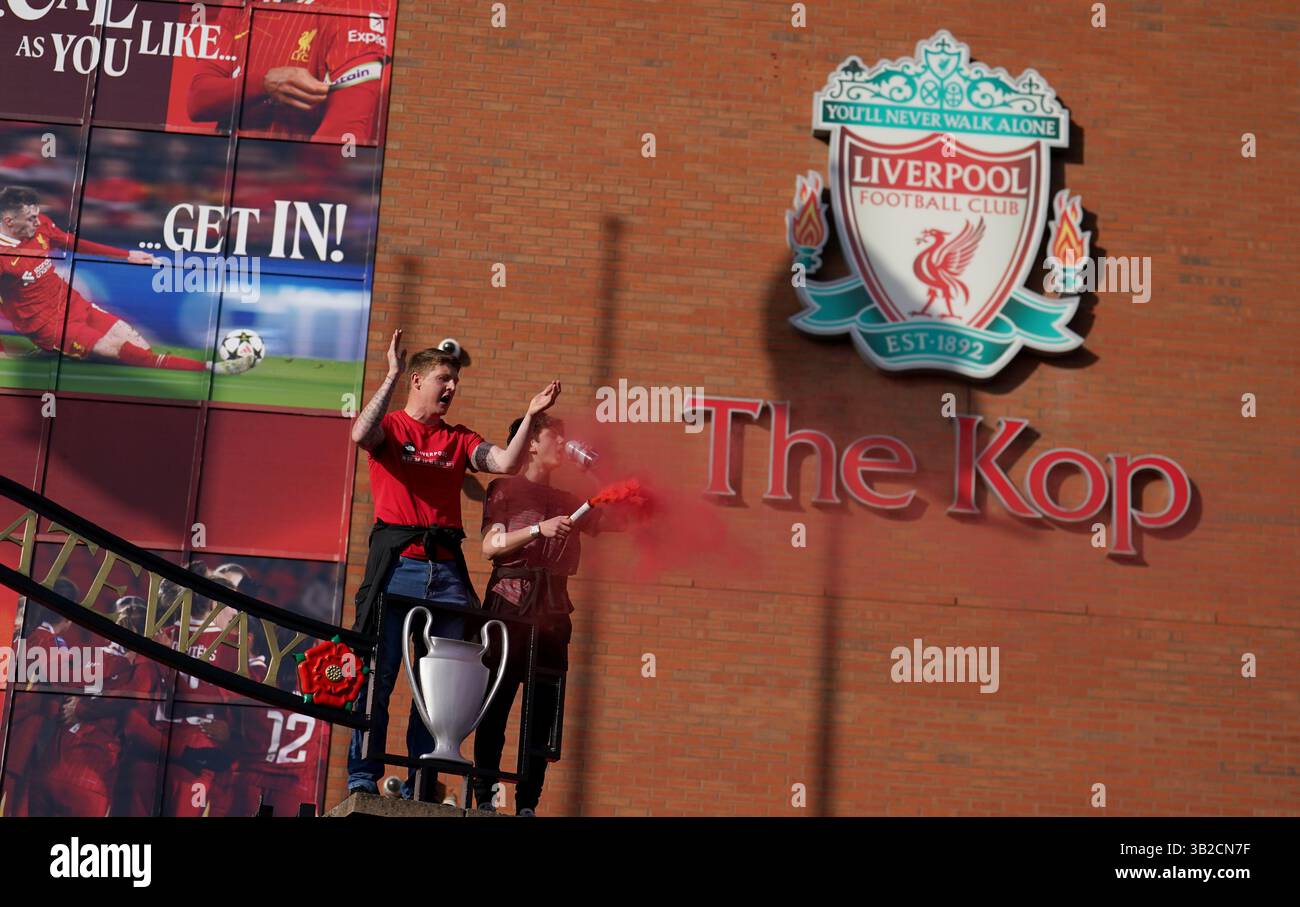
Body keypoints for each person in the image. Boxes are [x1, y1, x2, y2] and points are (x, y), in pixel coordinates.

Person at [346, 328, 560, 800]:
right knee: (378, 676)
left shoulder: (458, 439)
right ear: (418, 381)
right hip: (398, 566)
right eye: (444, 379)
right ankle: (363, 776)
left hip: (445, 572)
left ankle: (422, 782)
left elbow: (503, 462)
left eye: (456, 382)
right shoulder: (394, 428)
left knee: (438, 684)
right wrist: (391, 375)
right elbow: (361, 432)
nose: (451, 389)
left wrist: (529, 414)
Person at [471, 413, 624, 816]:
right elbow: (491, 546)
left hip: (553, 613)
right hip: (509, 606)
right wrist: (539, 530)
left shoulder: (572, 501)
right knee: (496, 702)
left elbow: (621, 520)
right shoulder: (504, 488)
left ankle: (527, 804)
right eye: (554, 437)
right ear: (532, 444)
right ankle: (484, 794)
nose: (562, 443)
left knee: (541, 713)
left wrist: (598, 473)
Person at [0, 186, 256, 373]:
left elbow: (74, 243)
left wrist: (127, 255)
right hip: (48, 325)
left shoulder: (41, 226)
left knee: (140, 348)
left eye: (36, 215)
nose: (37, 221)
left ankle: (59, 354)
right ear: (9, 221)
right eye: (31, 218)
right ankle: (214, 368)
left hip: (74, 304)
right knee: (125, 354)